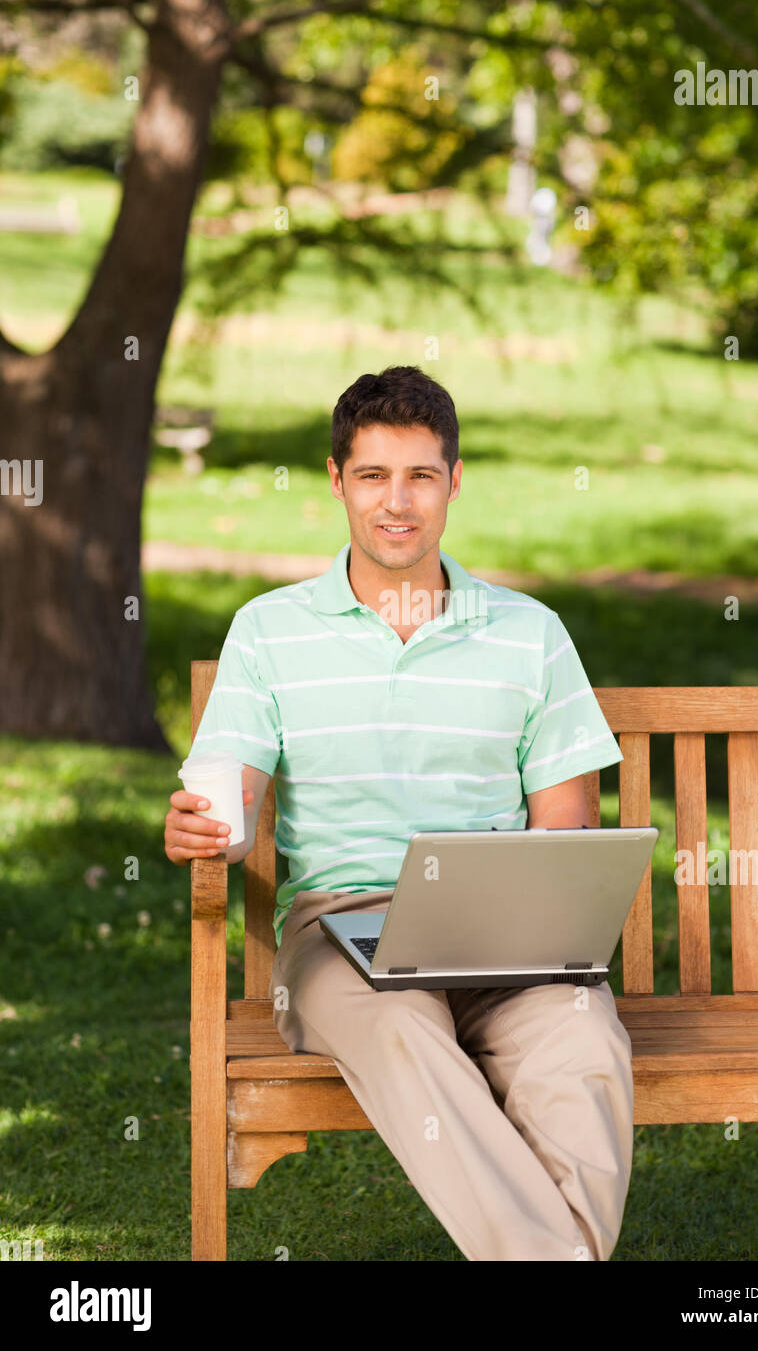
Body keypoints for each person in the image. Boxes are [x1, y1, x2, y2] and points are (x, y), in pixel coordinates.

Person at [164, 364, 634, 1261]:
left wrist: (541, 923)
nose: (397, 502)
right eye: (373, 476)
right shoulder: (269, 631)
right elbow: (227, 797)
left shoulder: (529, 633)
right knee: (401, 1027)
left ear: (454, 482)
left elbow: (565, 830)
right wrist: (197, 831)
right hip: (342, 932)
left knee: (583, 1043)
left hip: (505, 938)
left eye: (420, 475)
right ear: (337, 481)